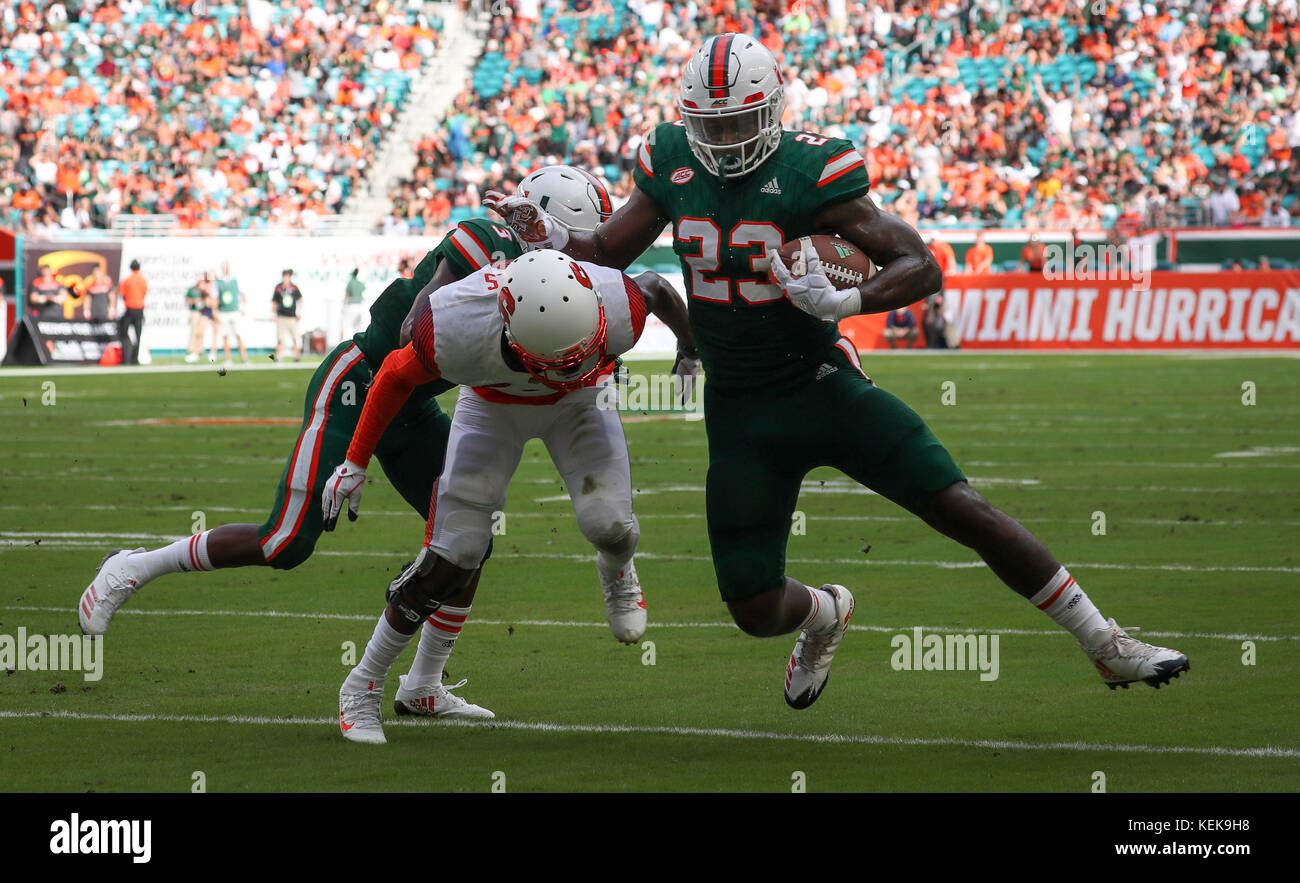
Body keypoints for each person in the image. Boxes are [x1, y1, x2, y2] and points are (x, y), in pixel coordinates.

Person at [487, 33, 1190, 708]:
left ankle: (1104, 640)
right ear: (688, 121)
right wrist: (547, 234)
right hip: (739, 410)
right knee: (755, 608)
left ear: (774, 112)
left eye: (742, 124)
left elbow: (922, 263)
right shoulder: (671, 161)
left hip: (820, 383)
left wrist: (851, 298)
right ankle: (827, 611)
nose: (727, 142)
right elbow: (608, 246)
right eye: (714, 126)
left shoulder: (809, 172)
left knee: (959, 505)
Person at [76, 168, 639, 716]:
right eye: (588, 235)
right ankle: (133, 567)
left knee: (469, 543)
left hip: (412, 405)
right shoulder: (485, 242)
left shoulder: (555, 279)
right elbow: (407, 338)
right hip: (360, 383)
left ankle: (423, 686)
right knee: (285, 543)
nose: (594, 251)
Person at [322, 251, 697, 744]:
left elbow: (661, 290)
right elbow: (393, 375)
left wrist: (690, 350)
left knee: (609, 523)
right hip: (493, 405)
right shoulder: (455, 324)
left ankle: (618, 567)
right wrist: (355, 461)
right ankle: (363, 683)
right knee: (456, 553)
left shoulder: (619, 299)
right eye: (549, 361)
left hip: (583, 402)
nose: (559, 370)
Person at [214, 262, 247, 366]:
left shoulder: (235, 280)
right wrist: (215, 312)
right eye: (224, 267)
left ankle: (244, 358)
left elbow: (243, 295)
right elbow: (215, 298)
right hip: (223, 312)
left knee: (239, 335)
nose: (226, 269)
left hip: (234, 311)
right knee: (225, 336)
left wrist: (243, 308)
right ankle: (227, 359)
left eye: (227, 267)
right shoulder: (218, 282)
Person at [119, 259, 147, 364]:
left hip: (130, 309)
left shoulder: (127, 280)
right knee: (138, 335)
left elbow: (122, 294)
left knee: (123, 332)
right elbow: (144, 293)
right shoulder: (142, 280)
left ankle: (126, 357)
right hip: (139, 310)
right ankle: (135, 359)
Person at [272, 269, 303, 361]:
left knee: (295, 338)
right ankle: (278, 357)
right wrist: (273, 314)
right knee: (280, 339)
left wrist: (299, 312)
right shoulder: (278, 287)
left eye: (287, 276)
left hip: (292, 317)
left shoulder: (294, 287)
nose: (286, 278)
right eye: (284, 276)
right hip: (281, 316)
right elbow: (274, 302)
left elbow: (300, 300)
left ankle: (296, 356)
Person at [183, 274, 211, 363]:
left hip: (203, 312)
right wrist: (194, 301)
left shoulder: (203, 289)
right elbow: (187, 300)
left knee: (200, 332)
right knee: (194, 331)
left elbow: (208, 297)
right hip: (194, 311)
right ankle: (191, 349)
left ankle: (199, 349)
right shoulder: (192, 289)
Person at [341, 269, 367, 342]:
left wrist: (343, 306)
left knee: (347, 326)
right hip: (360, 306)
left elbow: (347, 295)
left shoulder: (350, 283)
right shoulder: (360, 283)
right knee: (357, 328)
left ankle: (347, 345)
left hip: (351, 306)